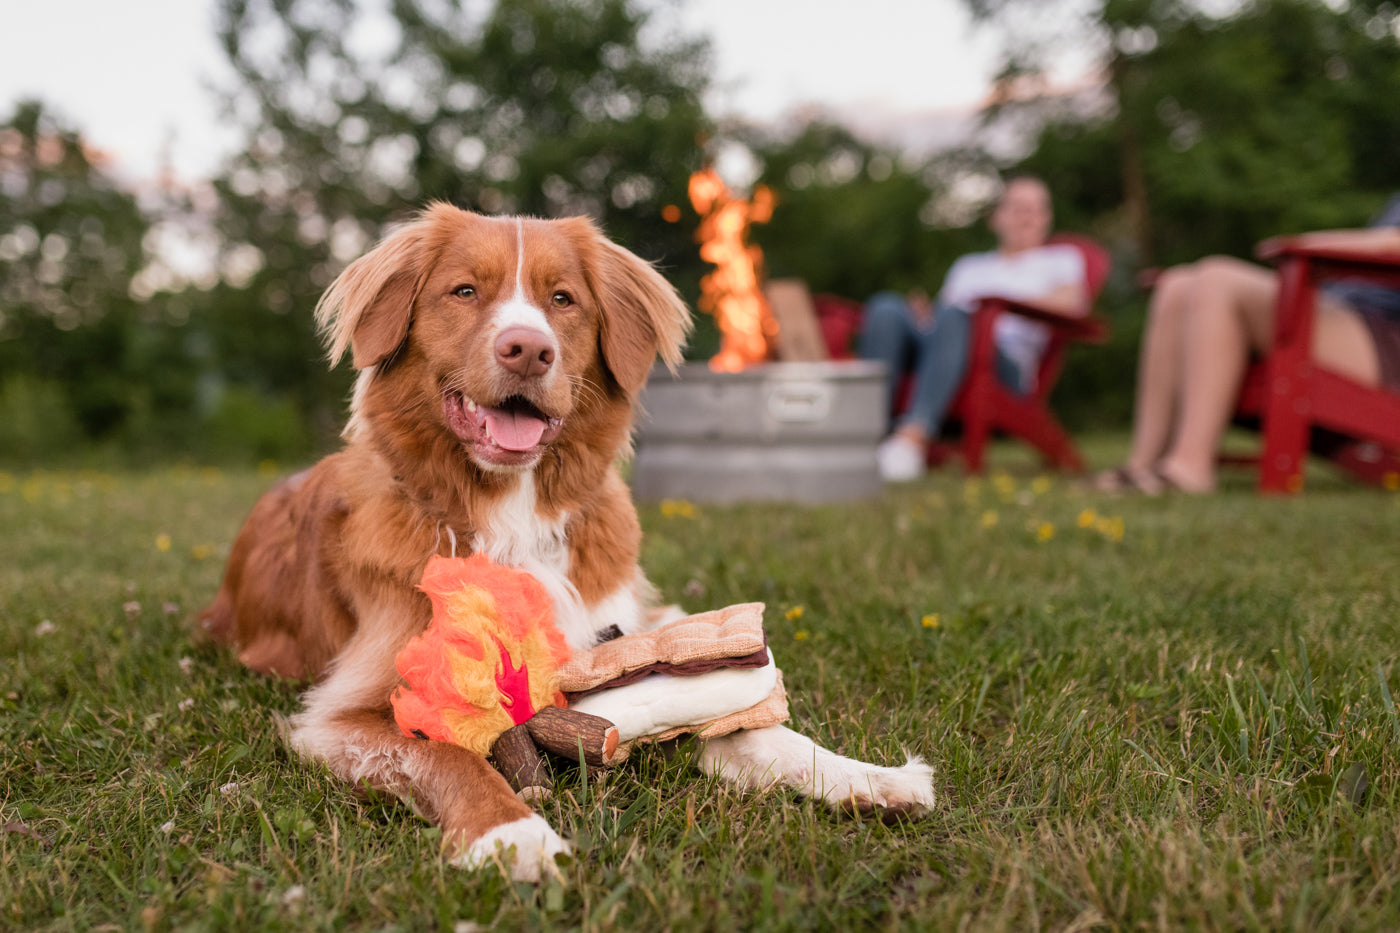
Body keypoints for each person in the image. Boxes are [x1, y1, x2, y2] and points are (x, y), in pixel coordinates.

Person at [1095, 198, 1400, 495]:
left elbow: (1391, 243)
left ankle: (1190, 466)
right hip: (1345, 310)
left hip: (1386, 337)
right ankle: (1141, 465)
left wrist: (1311, 244)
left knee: (1217, 279)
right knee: (1177, 286)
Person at [860, 176, 1087, 482]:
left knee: (959, 315)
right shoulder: (969, 266)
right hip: (950, 351)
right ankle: (869, 436)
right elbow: (943, 323)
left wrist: (991, 307)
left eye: (1037, 209)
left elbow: (1071, 303)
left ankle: (912, 437)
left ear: (1047, 218)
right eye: (1018, 208)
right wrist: (924, 318)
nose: (1028, 216)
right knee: (886, 307)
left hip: (1005, 368)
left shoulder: (1060, 260)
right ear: (996, 217)